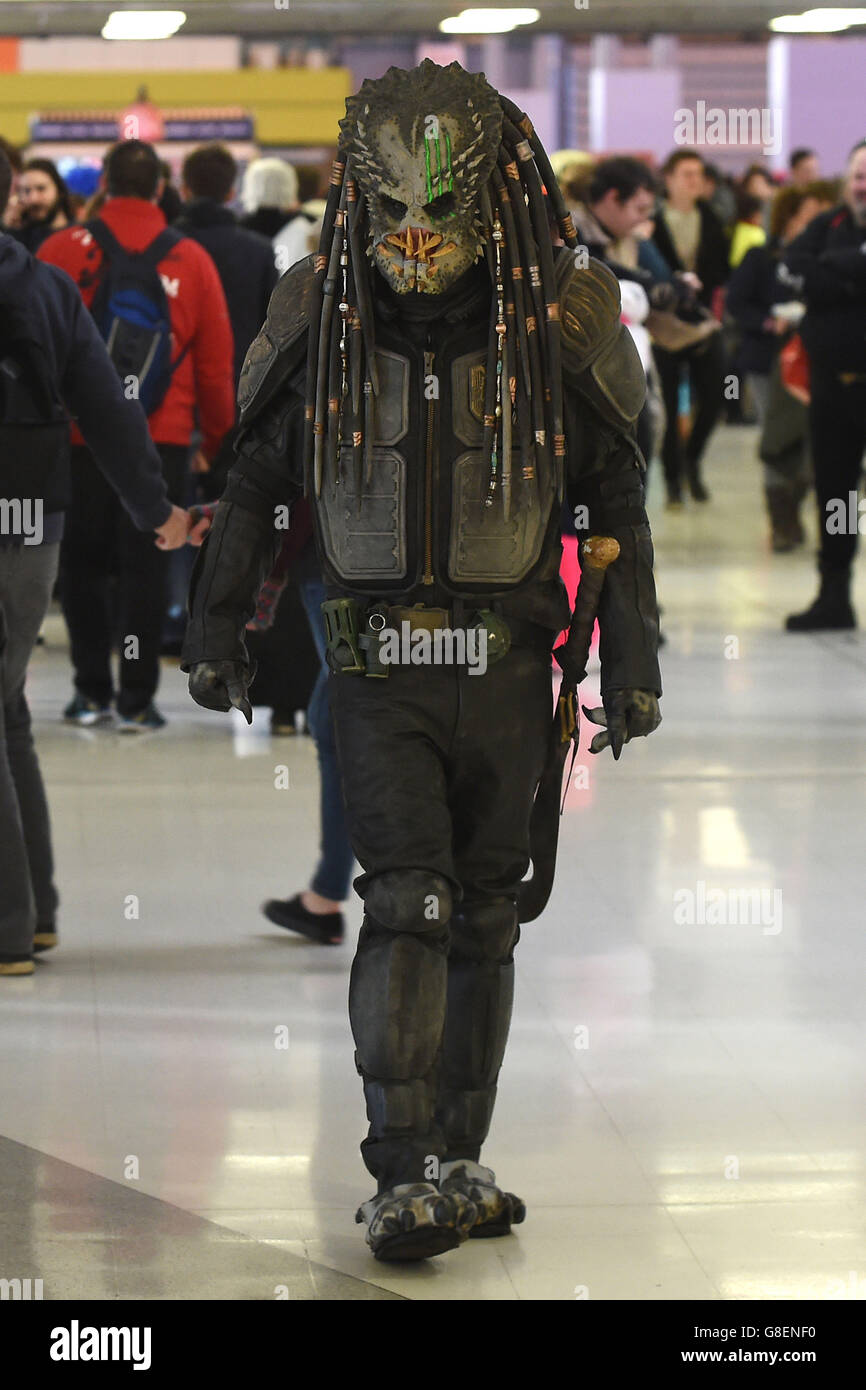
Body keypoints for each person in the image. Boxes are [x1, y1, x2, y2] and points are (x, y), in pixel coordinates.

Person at [182, 60, 662, 1260]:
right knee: (406, 902)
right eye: (386, 205)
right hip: (380, 666)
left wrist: (632, 660)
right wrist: (214, 627)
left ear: (491, 195)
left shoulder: (564, 310)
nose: (409, 237)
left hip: (508, 667)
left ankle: (459, 1156)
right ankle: (401, 1168)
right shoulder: (315, 310)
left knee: (487, 916)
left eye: (433, 208)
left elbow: (616, 498)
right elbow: (254, 480)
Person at [0, 148, 188, 977]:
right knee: (7, 714)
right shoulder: (38, 280)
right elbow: (110, 405)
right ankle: (35, 913)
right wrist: (155, 511)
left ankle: (6, 928)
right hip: (33, 520)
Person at [38, 139, 234, 729]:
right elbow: (215, 367)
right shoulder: (191, 259)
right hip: (162, 439)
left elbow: (33, 349)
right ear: (159, 189)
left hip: (76, 440)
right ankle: (137, 698)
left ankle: (91, 691)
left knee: (82, 566)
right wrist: (217, 441)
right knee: (146, 569)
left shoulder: (59, 250)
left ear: (102, 183)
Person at [782, 139, 866, 630]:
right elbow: (792, 267)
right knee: (835, 493)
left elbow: (815, 274)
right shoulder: (827, 225)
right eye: (858, 175)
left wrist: (833, 273)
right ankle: (834, 595)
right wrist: (853, 271)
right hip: (833, 386)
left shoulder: (830, 242)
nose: (863, 186)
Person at [727, 185, 830, 550]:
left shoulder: (829, 258)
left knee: (813, 442)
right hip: (769, 359)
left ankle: (792, 508)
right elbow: (736, 303)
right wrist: (770, 321)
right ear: (789, 217)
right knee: (778, 438)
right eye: (810, 215)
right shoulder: (762, 256)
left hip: (818, 359)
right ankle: (783, 523)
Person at [652, 149, 729, 505]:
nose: (694, 180)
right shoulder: (653, 220)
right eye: (686, 174)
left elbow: (722, 272)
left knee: (714, 396)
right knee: (667, 406)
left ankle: (692, 459)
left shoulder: (712, 220)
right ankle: (672, 479)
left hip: (702, 325)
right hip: (663, 327)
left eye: (698, 174)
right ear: (668, 178)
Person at [11, 158, 72, 253]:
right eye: (26, 191)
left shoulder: (77, 237)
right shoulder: (16, 242)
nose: (33, 199)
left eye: (41, 189)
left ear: (59, 191)